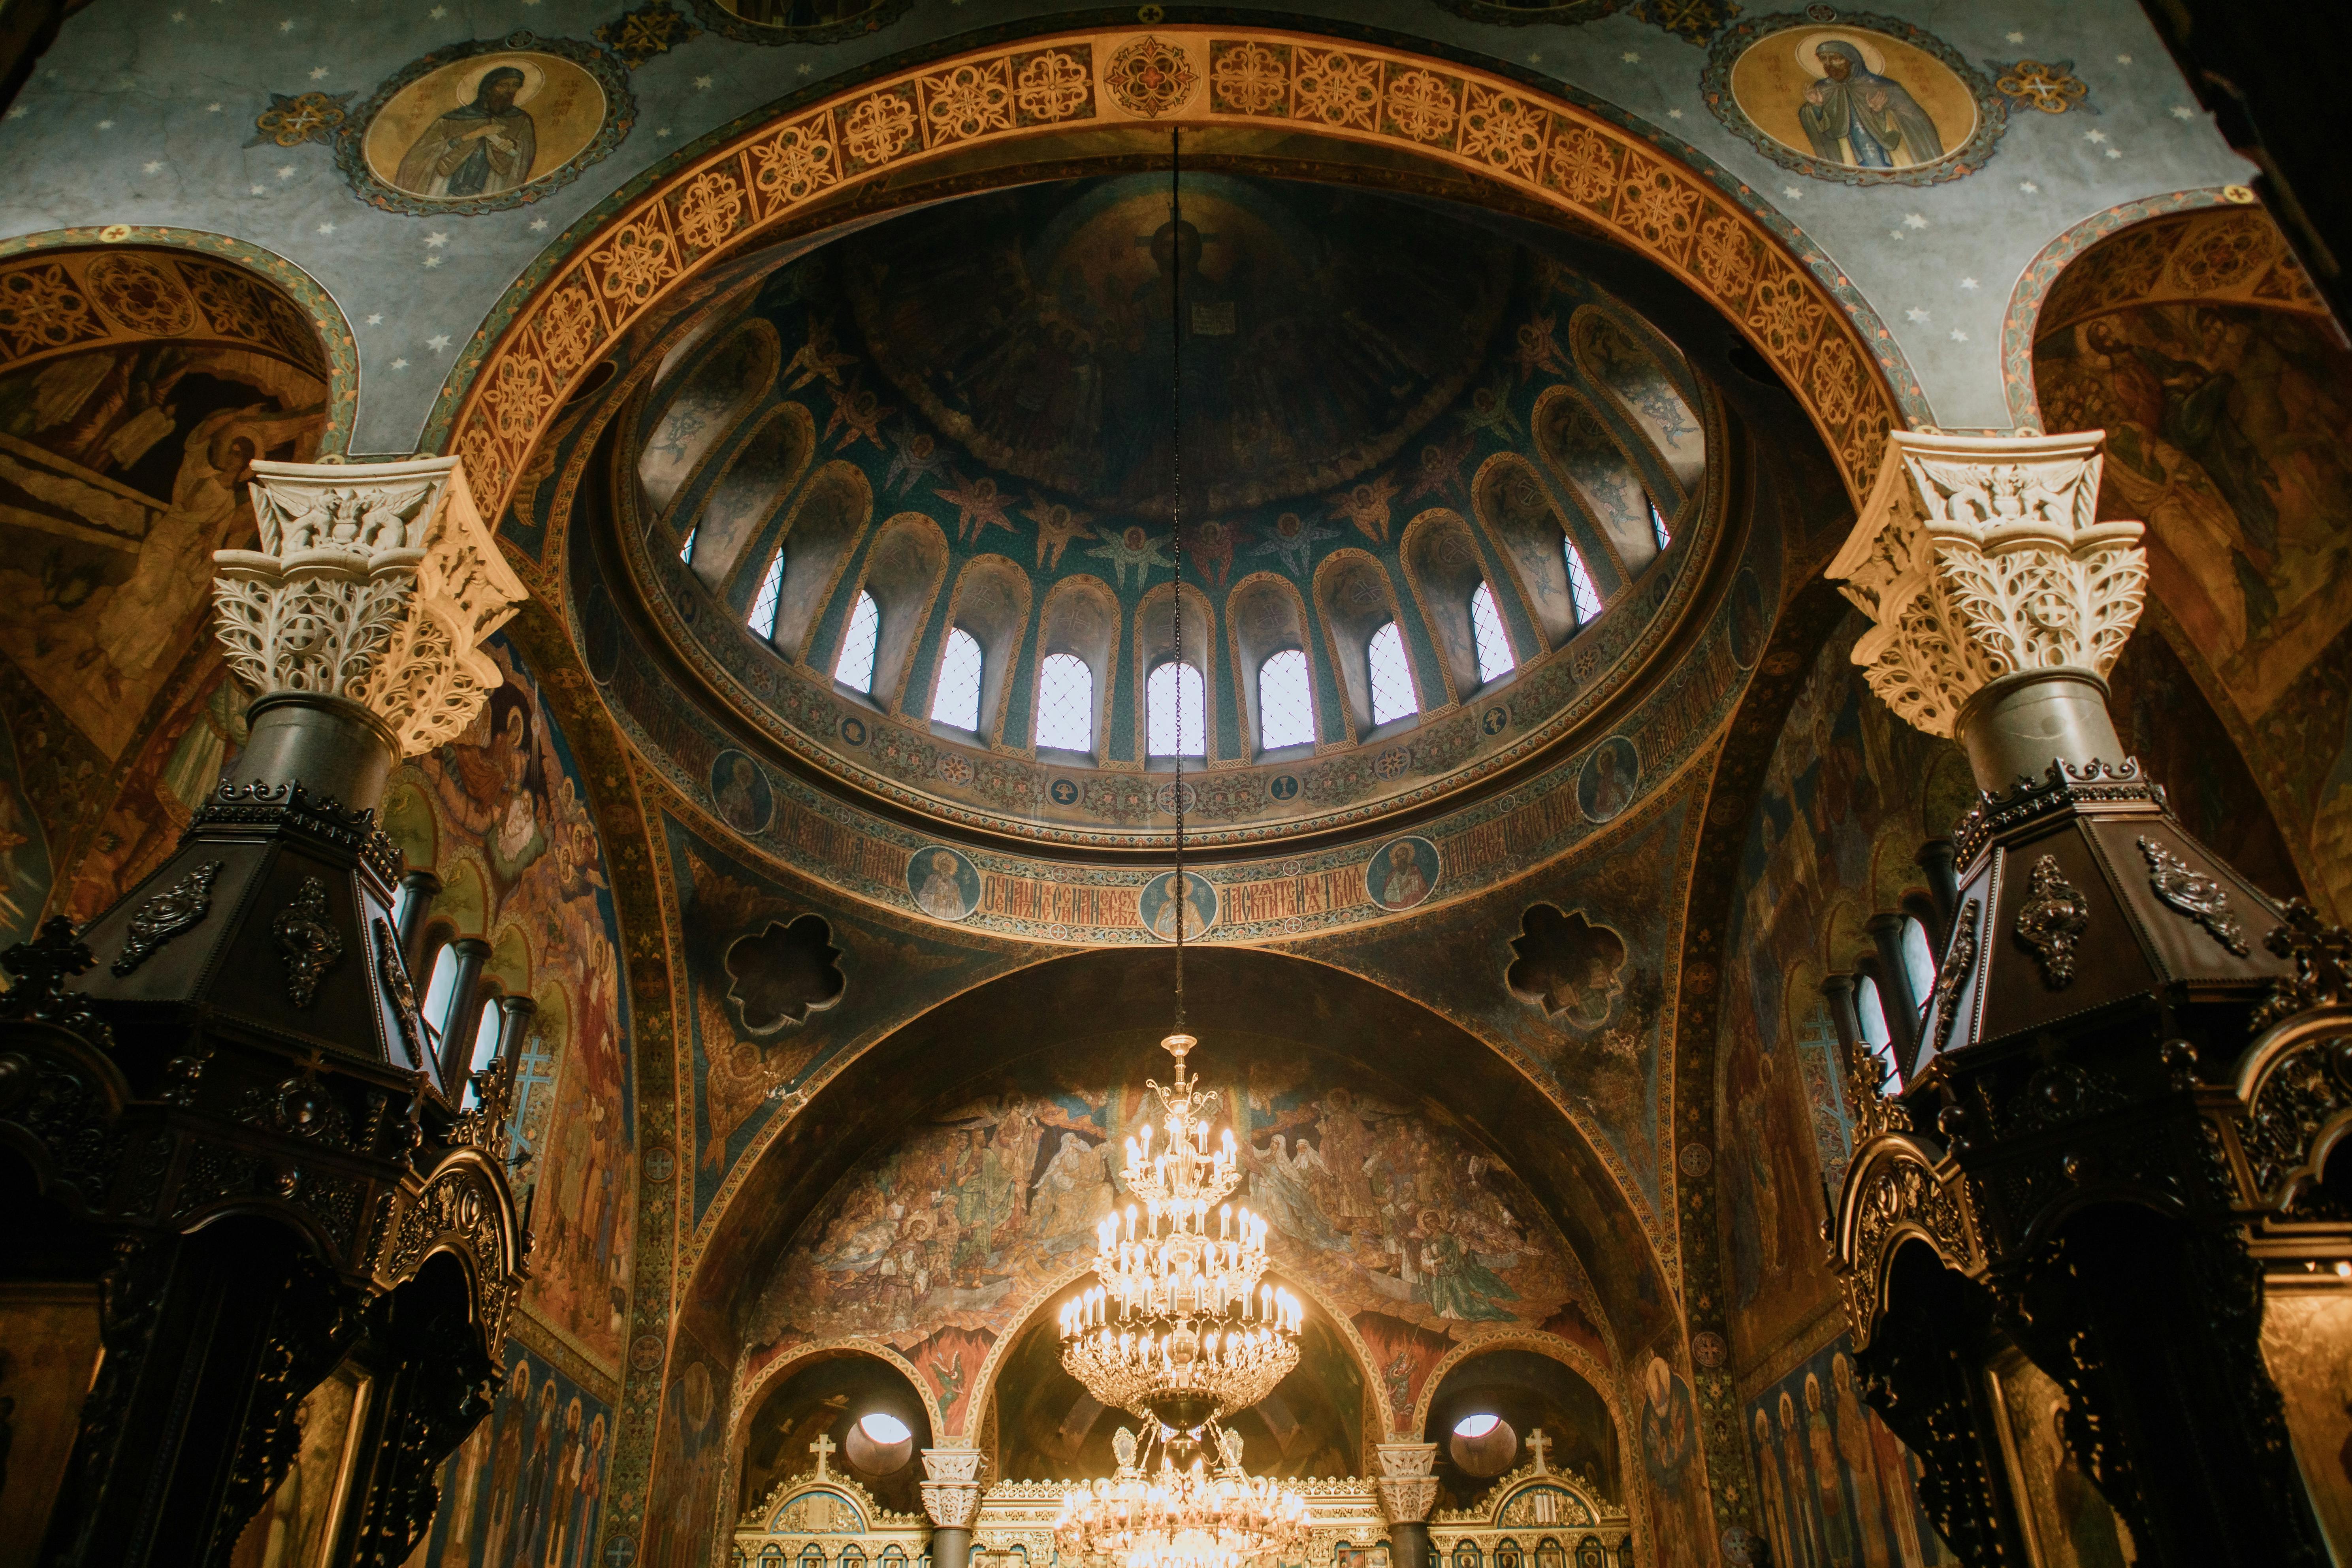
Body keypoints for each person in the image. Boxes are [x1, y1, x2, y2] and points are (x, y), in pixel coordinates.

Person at [394, 64, 539, 198]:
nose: (510, 91)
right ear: (488, 89)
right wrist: (472, 136)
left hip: (493, 185)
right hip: (445, 185)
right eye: (503, 85)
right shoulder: (452, 119)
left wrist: (514, 144)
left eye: (515, 86)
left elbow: (527, 149)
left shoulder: (521, 120)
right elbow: (419, 155)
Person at [1797, 40, 1945, 169]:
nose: (1829, 66)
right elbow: (1823, 128)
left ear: (1852, 60)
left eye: (1836, 59)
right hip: (1850, 158)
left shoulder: (1884, 87)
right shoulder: (1823, 89)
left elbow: (1915, 120)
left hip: (1891, 158)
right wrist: (1816, 107)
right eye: (1824, 60)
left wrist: (1882, 112)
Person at [915, 850, 969, 920]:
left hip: (948, 914)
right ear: (939, 866)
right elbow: (922, 895)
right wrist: (934, 897)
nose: (946, 868)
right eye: (944, 865)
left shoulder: (955, 885)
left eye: (948, 866)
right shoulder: (932, 879)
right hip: (934, 911)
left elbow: (961, 906)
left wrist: (955, 901)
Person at [1379, 841, 1429, 908]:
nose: (1402, 858)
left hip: (1415, 901)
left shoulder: (1415, 870)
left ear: (1408, 856)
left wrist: (1414, 895)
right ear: (1397, 858)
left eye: (1404, 855)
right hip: (1397, 906)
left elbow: (1424, 889)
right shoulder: (1393, 875)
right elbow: (1387, 896)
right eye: (1399, 856)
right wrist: (1401, 888)